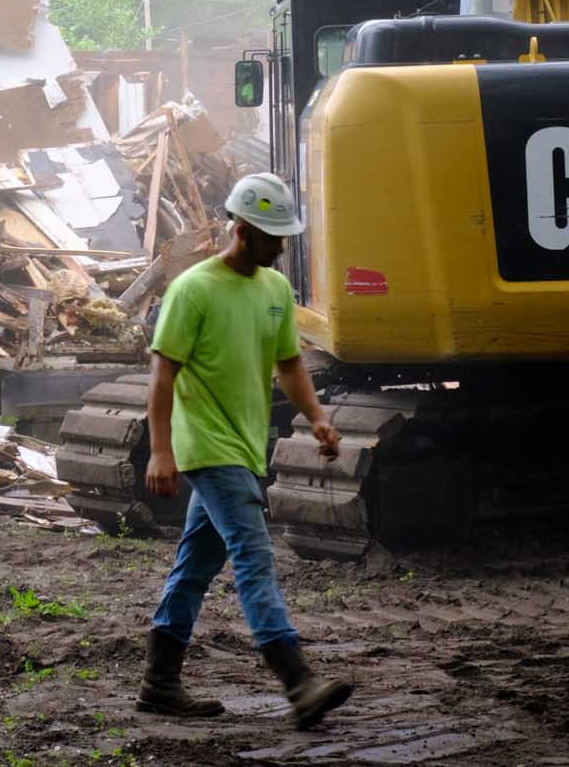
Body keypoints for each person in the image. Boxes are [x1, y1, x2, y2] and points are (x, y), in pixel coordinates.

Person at [135, 171, 354, 729]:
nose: (281, 246)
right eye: (272, 235)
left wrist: (318, 417)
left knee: (196, 565)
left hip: (245, 444)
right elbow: (163, 374)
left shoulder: (274, 290)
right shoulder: (194, 289)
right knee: (255, 557)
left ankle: (159, 684)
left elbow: (289, 364)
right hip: (209, 447)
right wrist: (161, 451)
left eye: (284, 236)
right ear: (240, 228)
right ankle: (298, 683)